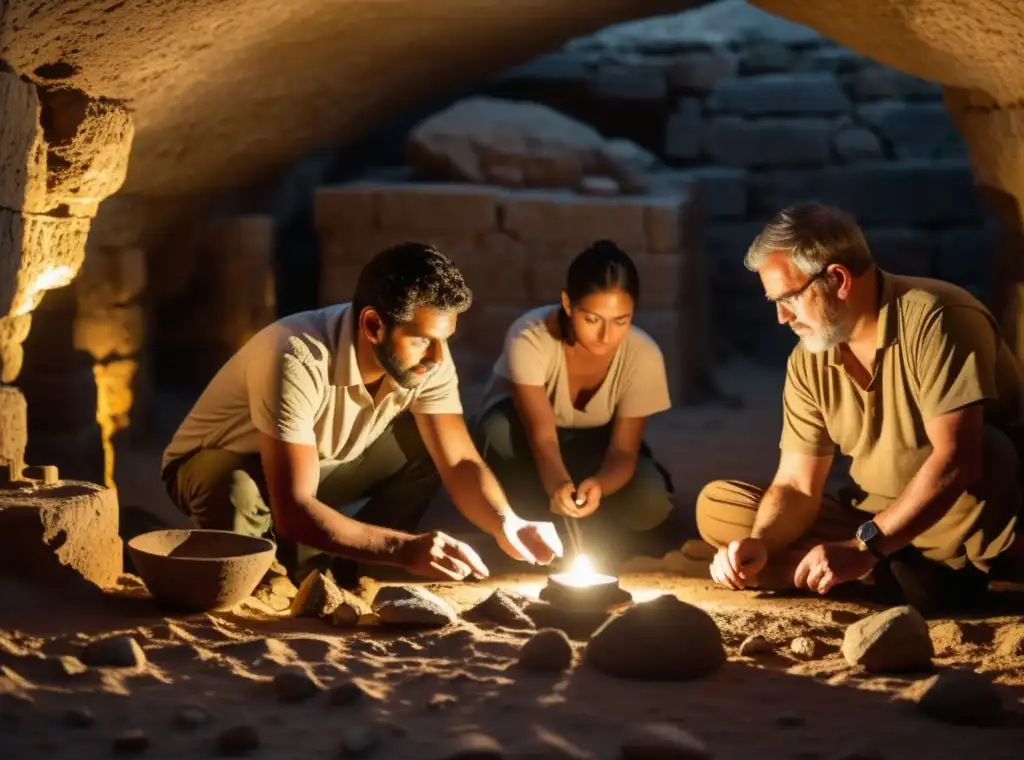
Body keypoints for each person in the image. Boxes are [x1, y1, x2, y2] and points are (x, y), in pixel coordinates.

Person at [162, 242, 562, 586]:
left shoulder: (429, 359)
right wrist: (404, 549)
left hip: (317, 467)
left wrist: (506, 521)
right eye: (423, 340)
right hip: (225, 471)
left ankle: (340, 567)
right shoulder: (295, 355)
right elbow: (296, 508)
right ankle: (267, 562)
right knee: (237, 500)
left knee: (424, 447)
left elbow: (458, 460)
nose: (439, 357)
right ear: (373, 325)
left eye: (445, 340)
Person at [697, 202, 1024, 610]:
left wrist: (864, 546)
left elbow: (957, 462)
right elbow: (797, 484)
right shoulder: (810, 355)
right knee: (720, 507)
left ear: (837, 279)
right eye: (773, 302)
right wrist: (760, 543)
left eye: (789, 299)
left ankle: (909, 573)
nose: (781, 317)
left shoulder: (938, 318)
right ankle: (892, 573)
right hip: (871, 516)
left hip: (960, 516)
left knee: (989, 454)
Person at [473, 240, 676, 570]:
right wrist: (558, 485)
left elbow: (623, 452)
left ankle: (586, 522)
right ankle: (521, 524)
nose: (606, 335)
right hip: (521, 444)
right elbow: (542, 436)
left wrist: (600, 484)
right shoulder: (531, 335)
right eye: (593, 319)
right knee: (498, 432)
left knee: (649, 502)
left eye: (621, 320)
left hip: (593, 446)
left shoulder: (643, 354)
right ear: (568, 303)